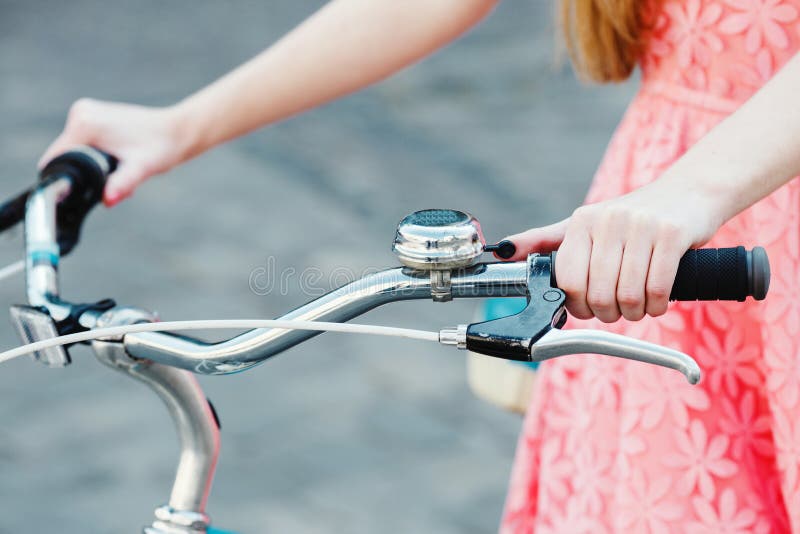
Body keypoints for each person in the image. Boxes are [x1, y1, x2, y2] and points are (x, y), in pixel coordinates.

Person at [40, 0, 800, 531]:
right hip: (649, 222)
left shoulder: (680, 198)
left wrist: (689, 193)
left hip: (697, 218)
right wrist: (180, 126)